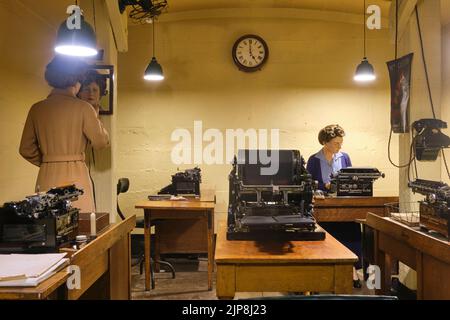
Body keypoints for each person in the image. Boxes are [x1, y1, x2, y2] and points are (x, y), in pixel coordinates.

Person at [19, 55, 110, 213]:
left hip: (47, 174)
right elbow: (101, 142)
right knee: (81, 226)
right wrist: (95, 116)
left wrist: (49, 161)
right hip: (76, 176)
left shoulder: (37, 109)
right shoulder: (83, 108)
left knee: (49, 226)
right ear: (77, 80)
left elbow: (25, 149)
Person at [306, 124, 362, 288]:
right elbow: (309, 183)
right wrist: (325, 187)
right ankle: (324, 274)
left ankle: (352, 271)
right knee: (326, 235)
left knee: (351, 232)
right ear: (325, 142)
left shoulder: (344, 157)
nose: (340, 146)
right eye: (336, 143)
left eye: (340, 143)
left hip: (343, 205)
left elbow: (351, 179)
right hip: (324, 206)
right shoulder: (314, 160)